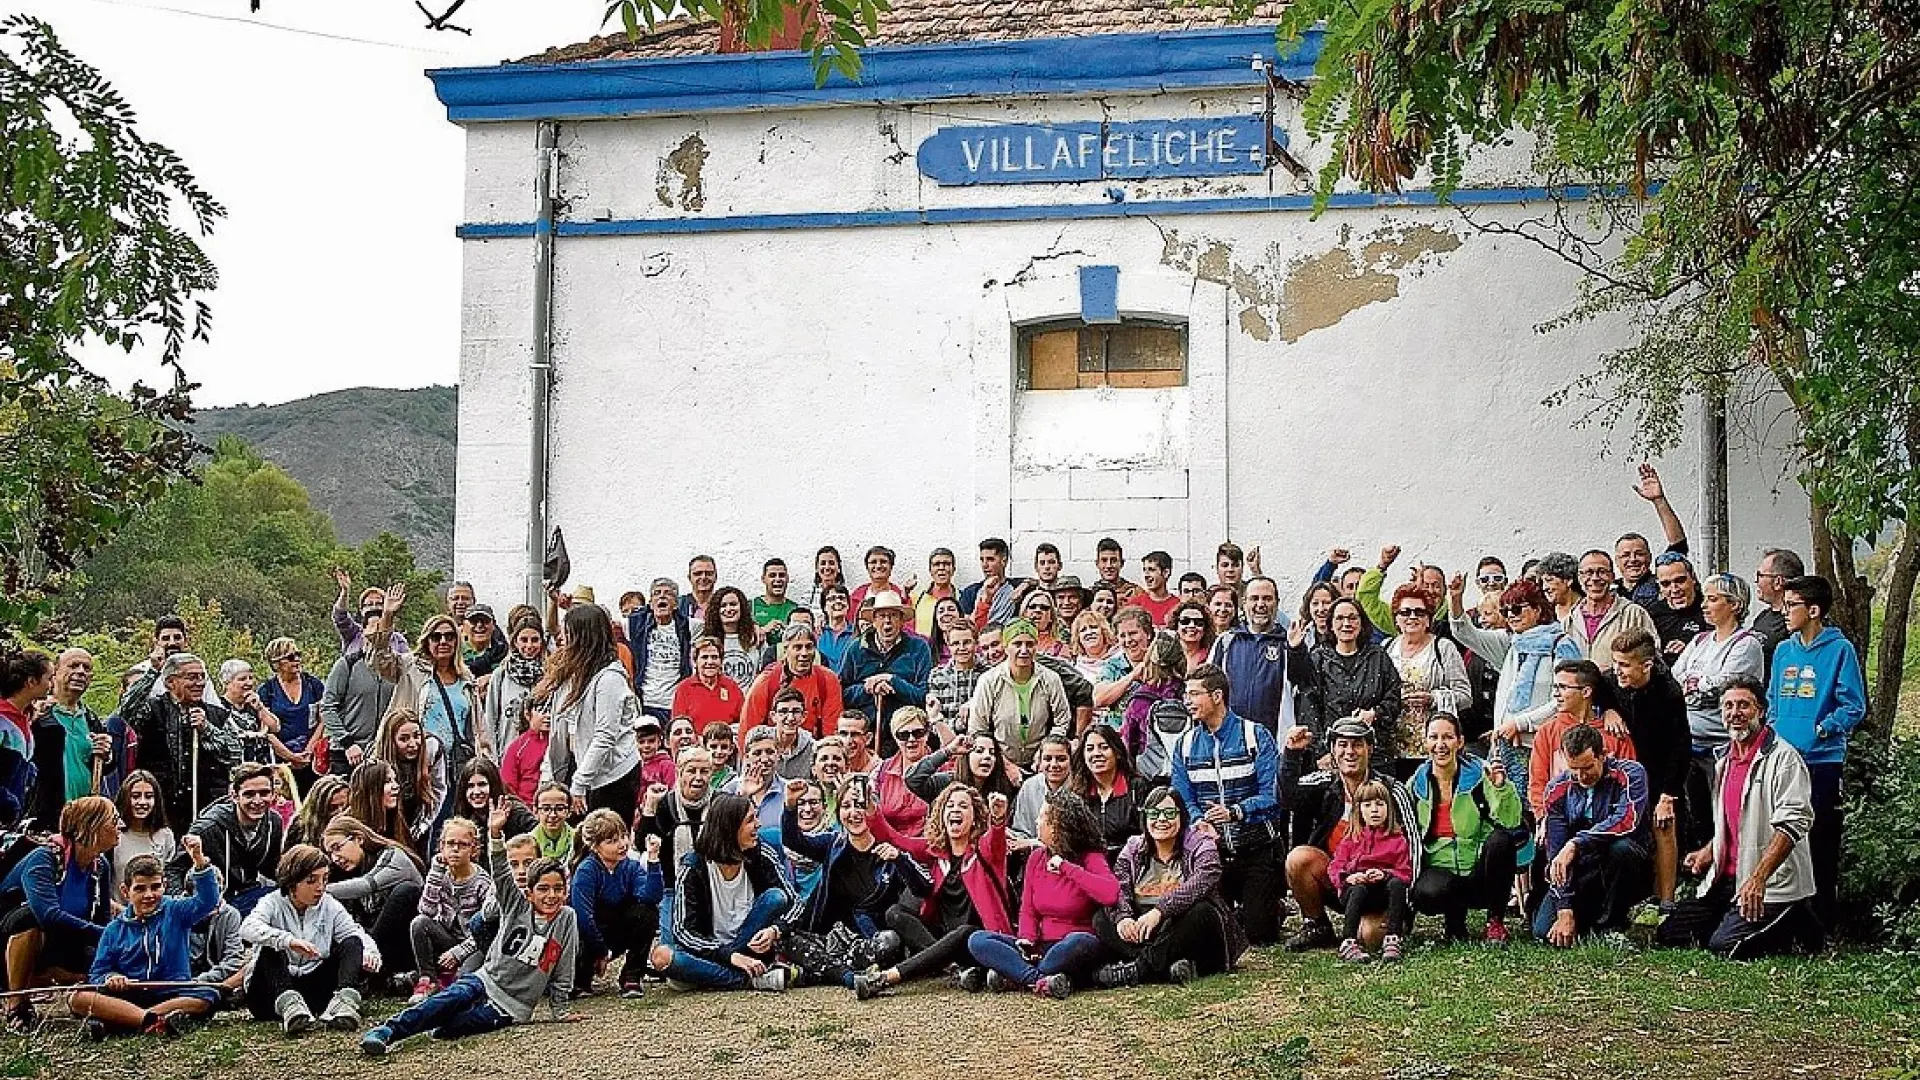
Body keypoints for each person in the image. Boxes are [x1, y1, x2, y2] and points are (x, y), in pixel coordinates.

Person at [360, 799, 578, 1055]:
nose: (551, 896)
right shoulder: (516, 905)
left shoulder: (566, 918)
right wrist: (495, 833)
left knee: (452, 1027)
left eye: (558, 889)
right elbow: (501, 872)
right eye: (543, 889)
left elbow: (564, 966)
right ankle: (387, 1031)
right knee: (448, 999)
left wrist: (560, 1010)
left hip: (511, 1007)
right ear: (529, 893)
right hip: (485, 980)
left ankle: (435, 1025)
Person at [1655, 677, 1818, 958]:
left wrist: (1758, 879)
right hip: (1727, 878)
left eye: (1744, 705)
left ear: (1761, 711)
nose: (1735, 713)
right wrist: (1709, 851)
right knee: (1670, 934)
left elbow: (1792, 825)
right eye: (1728, 706)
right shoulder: (1724, 760)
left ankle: (1797, 919)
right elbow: (1736, 821)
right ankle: (1733, 918)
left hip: (1769, 882)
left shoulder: (1784, 759)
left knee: (1725, 946)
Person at [1766, 574, 1865, 933]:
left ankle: (1822, 925)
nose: (1785, 611)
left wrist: (1822, 729)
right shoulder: (1783, 650)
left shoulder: (1840, 650)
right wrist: (1774, 731)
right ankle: (1785, 919)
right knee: (1782, 835)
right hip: (1783, 758)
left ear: (1813, 610)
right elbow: (1772, 699)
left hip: (1821, 760)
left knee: (1821, 837)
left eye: (1792, 605)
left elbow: (1853, 705)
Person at [855, 784, 1012, 999]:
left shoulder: (985, 850)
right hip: (943, 938)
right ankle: (954, 968)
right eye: (950, 805)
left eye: (963, 806)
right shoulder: (935, 851)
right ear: (942, 815)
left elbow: (996, 840)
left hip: (979, 940)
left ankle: (884, 978)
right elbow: (894, 839)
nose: (955, 809)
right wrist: (871, 809)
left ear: (975, 818)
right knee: (895, 913)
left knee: (964, 932)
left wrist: (998, 818)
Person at [1279, 716, 1420, 952]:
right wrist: (1291, 754)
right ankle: (1317, 925)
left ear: (1370, 749)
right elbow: (1288, 797)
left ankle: (1388, 924)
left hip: (1382, 888)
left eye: (1357, 745)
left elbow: (1414, 846)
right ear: (1333, 751)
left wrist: (1405, 898)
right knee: (1298, 858)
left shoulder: (1392, 790)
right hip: (1343, 881)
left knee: (1371, 937)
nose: (1349, 752)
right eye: (1342, 745)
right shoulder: (1325, 784)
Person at [965, 788, 1119, 999]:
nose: (1037, 822)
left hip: (1072, 946)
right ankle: (1039, 979)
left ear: (1059, 827)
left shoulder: (1089, 857)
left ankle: (1017, 975)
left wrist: (1066, 868)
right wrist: (1026, 940)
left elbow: (1110, 893)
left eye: (1043, 818)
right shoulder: (1036, 857)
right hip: (1040, 947)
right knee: (977, 940)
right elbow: (1028, 909)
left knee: (1078, 942)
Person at [1170, 664, 1286, 945]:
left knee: (1260, 936)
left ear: (1217, 696)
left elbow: (1272, 796)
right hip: (1212, 855)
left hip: (1256, 849)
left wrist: (1235, 812)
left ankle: (1272, 906)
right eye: (1186, 694)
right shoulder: (1185, 744)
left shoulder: (1255, 734)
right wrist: (1200, 820)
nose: (1187, 701)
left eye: (1194, 694)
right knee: (1213, 933)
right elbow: (1183, 797)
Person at [778, 774, 926, 992]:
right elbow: (793, 841)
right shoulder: (833, 843)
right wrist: (790, 806)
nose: (854, 813)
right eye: (846, 806)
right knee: (784, 937)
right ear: (839, 812)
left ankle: (819, 971)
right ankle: (846, 975)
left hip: (872, 940)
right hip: (833, 938)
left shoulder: (890, 849)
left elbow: (923, 888)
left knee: (890, 942)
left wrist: (899, 860)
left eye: (860, 805)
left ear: (872, 809)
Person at [68, 837, 222, 1040]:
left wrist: (199, 861)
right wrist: (111, 977)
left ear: (164, 886)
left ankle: (127, 1021)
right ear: (125, 891)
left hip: (171, 991)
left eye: (155, 887)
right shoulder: (114, 929)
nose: (149, 895)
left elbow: (208, 901)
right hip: (129, 995)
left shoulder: (176, 911)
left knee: (207, 995)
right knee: (78, 998)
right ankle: (151, 1020)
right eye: (140, 889)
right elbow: (98, 973)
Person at [647, 792, 802, 992]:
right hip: (711, 951)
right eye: (750, 820)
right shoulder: (693, 867)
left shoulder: (762, 854)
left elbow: (796, 903)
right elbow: (683, 931)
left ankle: (714, 976)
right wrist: (729, 956)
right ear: (730, 827)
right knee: (662, 957)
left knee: (776, 897)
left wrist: (776, 930)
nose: (758, 824)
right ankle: (748, 980)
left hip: (749, 947)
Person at [1092, 785, 1242, 987]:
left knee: (1202, 911)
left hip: (1181, 928)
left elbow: (1203, 879)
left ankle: (1140, 969)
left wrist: (1160, 911)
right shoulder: (1134, 847)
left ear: (1182, 817)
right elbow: (1119, 885)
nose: (1161, 819)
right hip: (1145, 930)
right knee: (1101, 916)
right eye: (1154, 814)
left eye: (1169, 813)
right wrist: (1123, 918)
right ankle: (1165, 966)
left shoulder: (1202, 844)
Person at [1447, 577, 1582, 798]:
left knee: (1541, 807)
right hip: (1506, 746)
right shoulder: (1512, 642)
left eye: (1517, 609)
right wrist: (1455, 598)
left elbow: (1568, 700)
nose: (1511, 615)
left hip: (1545, 747)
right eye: (1505, 610)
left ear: (1538, 610)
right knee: (1503, 808)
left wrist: (1521, 723)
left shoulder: (1562, 645)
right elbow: (1464, 633)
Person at [0, 796, 116, 1027]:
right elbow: (47, 915)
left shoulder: (101, 866)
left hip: (61, 942)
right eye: (113, 820)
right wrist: (107, 934)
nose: (119, 826)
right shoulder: (44, 858)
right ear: (90, 827)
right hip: (12, 939)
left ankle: (48, 979)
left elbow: (102, 918)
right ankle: (16, 1004)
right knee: (29, 919)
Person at [1408, 713, 1524, 943]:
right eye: (1434, 737)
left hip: (1479, 869)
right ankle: (1454, 922)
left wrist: (1501, 788)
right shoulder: (1415, 782)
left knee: (1501, 841)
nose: (1440, 744)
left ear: (1460, 742)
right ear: (1426, 742)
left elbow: (1511, 821)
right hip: (1440, 870)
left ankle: (1495, 921)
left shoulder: (1482, 774)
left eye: (1447, 737)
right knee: (1428, 893)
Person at [240, 844, 380, 1034]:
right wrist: (288, 941)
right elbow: (247, 928)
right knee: (271, 949)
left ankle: (344, 1003)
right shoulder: (272, 902)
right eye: (311, 881)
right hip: (270, 994)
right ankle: (290, 1007)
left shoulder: (329, 904)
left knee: (352, 942)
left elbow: (353, 932)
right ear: (292, 882)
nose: (320, 887)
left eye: (325, 879)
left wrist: (370, 953)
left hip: (313, 987)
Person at [1533, 725, 1653, 946]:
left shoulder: (1631, 773)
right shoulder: (1557, 789)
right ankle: (1585, 920)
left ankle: (1612, 925)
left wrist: (1576, 844)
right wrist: (1564, 909)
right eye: (1574, 769)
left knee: (1622, 849)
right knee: (1543, 931)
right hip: (1583, 869)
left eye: (1587, 767)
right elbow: (1556, 854)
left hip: (1624, 862)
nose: (1581, 776)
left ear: (1603, 755)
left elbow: (1625, 820)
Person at [1608, 631, 1691, 902]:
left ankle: (1666, 900)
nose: (1617, 671)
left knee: (1663, 825)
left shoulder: (1669, 693)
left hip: (1659, 768)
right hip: (1624, 770)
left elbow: (1681, 747)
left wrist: (1668, 795)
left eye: (1624, 665)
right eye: (1615, 662)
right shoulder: (1610, 681)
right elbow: (1596, 684)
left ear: (1646, 665)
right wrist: (1609, 709)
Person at [540, 604, 644, 817]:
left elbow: (605, 736)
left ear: (583, 637)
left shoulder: (610, 678)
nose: (562, 639)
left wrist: (580, 783)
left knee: (604, 835)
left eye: (567, 633)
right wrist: (549, 777)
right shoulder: (572, 674)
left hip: (612, 777)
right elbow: (560, 730)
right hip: (580, 767)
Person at [122, 652, 243, 831]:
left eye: (202, 677)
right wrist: (153, 672)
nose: (199, 683)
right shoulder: (152, 710)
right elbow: (126, 710)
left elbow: (234, 756)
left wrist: (207, 730)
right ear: (170, 682)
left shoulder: (217, 714)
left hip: (205, 809)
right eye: (192, 677)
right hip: (160, 808)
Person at [369, 587, 485, 771]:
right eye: (436, 637)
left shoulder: (466, 679)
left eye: (449, 636)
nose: (443, 641)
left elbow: (479, 729)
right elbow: (379, 659)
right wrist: (388, 616)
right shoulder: (410, 667)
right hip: (416, 762)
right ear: (426, 641)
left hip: (457, 765)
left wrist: (485, 760)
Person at [569, 808, 662, 998]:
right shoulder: (587, 870)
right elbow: (583, 918)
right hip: (588, 935)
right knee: (580, 953)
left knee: (646, 913)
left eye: (624, 836)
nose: (622, 844)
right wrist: (602, 951)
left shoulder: (630, 866)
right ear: (595, 846)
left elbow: (650, 897)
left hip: (616, 930)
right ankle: (580, 979)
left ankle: (632, 975)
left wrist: (653, 861)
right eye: (611, 841)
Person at [1528, 660, 1638, 820]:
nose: (1556, 694)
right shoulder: (1547, 732)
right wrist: (1543, 819)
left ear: (1586, 692)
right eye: (1555, 687)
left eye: (1563, 687)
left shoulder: (1615, 733)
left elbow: (1630, 786)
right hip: (1559, 821)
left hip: (1606, 824)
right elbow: (1538, 784)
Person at [1375, 583, 1470, 769]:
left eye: (1419, 612)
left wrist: (1434, 699)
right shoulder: (1386, 648)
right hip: (1391, 748)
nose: (1412, 617)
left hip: (1433, 748)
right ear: (1396, 619)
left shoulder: (1443, 648)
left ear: (1428, 619)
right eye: (1405, 612)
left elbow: (1465, 696)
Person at [173, 762, 287, 915]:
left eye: (264, 793)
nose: (258, 801)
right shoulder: (208, 827)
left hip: (248, 895)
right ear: (234, 796)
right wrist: (182, 905)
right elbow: (174, 869)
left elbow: (272, 868)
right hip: (213, 904)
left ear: (273, 794)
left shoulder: (274, 822)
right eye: (249, 794)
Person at [1296, 597, 1403, 756]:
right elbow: (1309, 708)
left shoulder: (1378, 657)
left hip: (1374, 750)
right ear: (1331, 625)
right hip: (1333, 753)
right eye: (1340, 618)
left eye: (1352, 618)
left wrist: (1375, 713)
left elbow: (1394, 696)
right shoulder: (1318, 658)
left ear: (1362, 623)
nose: (1346, 623)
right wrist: (1321, 753)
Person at [322, 814, 425, 973]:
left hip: (406, 942)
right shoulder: (348, 869)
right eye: (330, 853)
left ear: (359, 839)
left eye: (337, 848)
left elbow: (366, 885)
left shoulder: (394, 856)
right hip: (374, 940)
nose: (335, 858)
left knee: (406, 890)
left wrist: (315, 891)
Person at [407, 817, 494, 1002]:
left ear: (474, 849)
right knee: (419, 923)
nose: (455, 849)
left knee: (463, 982)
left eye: (462, 845)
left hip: (475, 945)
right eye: (450, 844)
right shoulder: (440, 875)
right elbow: (427, 911)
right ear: (442, 846)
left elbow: (488, 931)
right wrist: (435, 873)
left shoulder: (482, 883)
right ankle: (427, 979)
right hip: (449, 938)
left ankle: (451, 979)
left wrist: (459, 952)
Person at [1329, 780, 1415, 963]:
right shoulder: (1351, 839)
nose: (1374, 810)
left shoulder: (1398, 840)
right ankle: (1348, 941)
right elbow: (1335, 867)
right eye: (1367, 805)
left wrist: (1385, 874)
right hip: (1356, 891)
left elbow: (1405, 873)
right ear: (1359, 810)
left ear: (1389, 808)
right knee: (1358, 890)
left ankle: (1393, 937)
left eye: (1380, 804)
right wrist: (1349, 878)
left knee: (1397, 884)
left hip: (1382, 892)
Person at [967, 618, 1072, 767]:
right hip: (999, 761)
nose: (1024, 650)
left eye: (1029, 644)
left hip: (1041, 761)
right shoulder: (988, 681)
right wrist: (1004, 764)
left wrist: (1045, 753)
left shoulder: (1051, 679)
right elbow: (977, 728)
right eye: (1017, 644)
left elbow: (1062, 720)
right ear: (1006, 647)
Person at [837, 589, 933, 742]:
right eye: (882, 616)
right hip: (865, 733)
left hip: (907, 733)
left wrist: (892, 681)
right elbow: (842, 693)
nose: (887, 621)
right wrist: (867, 688)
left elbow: (923, 696)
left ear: (901, 620)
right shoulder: (855, 648)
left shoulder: (919, 648)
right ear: (874, 621)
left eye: (893, 615)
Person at [28, 649, 110, 826]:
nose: (81, 672)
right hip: (47, 818)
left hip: (84, 819)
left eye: (86, 668)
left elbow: (104, 768)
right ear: (55, 673)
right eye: (73, 666)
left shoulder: (91, 720)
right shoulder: (38, 716)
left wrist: (107, 755)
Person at [1208, 576, 1294, 734]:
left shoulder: (1288, 644)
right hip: (1229, 738)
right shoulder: (1226, 641)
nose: (1260, 604)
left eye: (1267, 599)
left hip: (1273, 738)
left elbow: (1304, 683)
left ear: (1277, 602)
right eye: (1254, 598)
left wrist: (1297, 649)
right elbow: (1208, 688)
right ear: (1244, 603)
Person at [320, 616, 399, 779]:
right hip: (347, 753)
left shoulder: (397, 668)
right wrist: (347, 742)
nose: (377, 634)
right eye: (373, 628)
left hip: (383, 754)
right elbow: (327, 707)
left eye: (382, 628)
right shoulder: (347, 665)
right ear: (363, 632)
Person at [641, 746, 717, 907]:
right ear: (679, 773)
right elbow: (643, 844)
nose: (698, 777)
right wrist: (649, 808)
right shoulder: (666, 804)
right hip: (672, 887)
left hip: (714, 887)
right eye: (691, 771)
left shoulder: (720, 802)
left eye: (704, 771)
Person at [741, 621, 843, 739]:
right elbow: (748, 730)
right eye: (797, 647)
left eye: (809, 647)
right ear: (785, 650)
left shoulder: (828, 680)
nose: (804, 653)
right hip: (772, 746)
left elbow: (832, 732)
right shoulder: (766, 681)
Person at [1563, 550, 1657, 671]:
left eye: (1602, 572)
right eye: (1588, 572)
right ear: (1580, 578)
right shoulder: (1569, 621)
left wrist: (1614, 671)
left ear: (1612, 577)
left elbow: (1652, 656)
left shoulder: (1634, 614)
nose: (1595, 578)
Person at [1616, 463, 1690, 607]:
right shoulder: (1610, 592)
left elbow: (1678, 544)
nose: (1633, 559)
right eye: (1626, 555)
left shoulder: (1663, 584)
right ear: (1617, 561)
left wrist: (1659, 500)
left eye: (1639, 554)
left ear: (1649, 557)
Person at [258, 638, 324, 787]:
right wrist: (290, 756)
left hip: (313, 757)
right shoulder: (267, 690)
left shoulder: (313, 685)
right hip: (281, 761)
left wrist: (309, 750)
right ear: (277, 662)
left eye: (298, 655)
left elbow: (323, 720)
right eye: (291, 657)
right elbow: (265, 730)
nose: (297, 660)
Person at [628, 578, 694, 723]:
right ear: (651, 604)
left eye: (668, 593)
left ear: (676, 604)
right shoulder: (635, 625)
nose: (662, 596)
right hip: (645, 702)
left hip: (675, 703)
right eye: (657, 593)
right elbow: (605, 623)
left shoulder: (688, 626)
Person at [1070, 725, 1139, 859]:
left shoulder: (1137, 788)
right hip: (1089, 864)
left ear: (1117, 753)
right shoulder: (1076, 793)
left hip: (1130, 862)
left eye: (1104, 747)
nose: (1096, 754)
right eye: (1090, 749)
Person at [906, 729, 1021, 807]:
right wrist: (948, 751)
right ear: (966, 756)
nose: (987, 756)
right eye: (979, 751)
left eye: (992, 753)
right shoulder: (946, 783)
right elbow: (912, 778)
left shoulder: (1003, 788)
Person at [483, 616, 547, 754]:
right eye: (524, 640)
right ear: (515, 642)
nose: (529, 646)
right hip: (508, 752)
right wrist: (493, 757)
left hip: (541, 756)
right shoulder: (501, 675)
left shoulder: (549, 676)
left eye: (534, 640)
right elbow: (490, 720)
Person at [872, 707, 935, 837]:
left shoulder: (941, 767)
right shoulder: (881, 771)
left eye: (918, 733)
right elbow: (873, 815)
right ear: (895, 738)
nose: (911, 739)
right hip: (889, 843)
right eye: (903, 735)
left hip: (929, 843)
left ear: (927, 734)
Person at [1012, 735, 1074, 851]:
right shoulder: (1029, 786)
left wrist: (1035, 843)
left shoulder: (1080, 787)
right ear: (1040, 762)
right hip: (1032, 855)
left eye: (1061, 759)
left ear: (1071, 761)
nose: (1054, 765)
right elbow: (1021, 831)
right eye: (1048, 759)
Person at [703, 586, 772, 688]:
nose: (728, 609)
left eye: (733, 604)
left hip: (749, 697)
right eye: (723, 605)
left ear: (742, 608)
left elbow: (766, 675)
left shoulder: (755, 638)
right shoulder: (707, 640)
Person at [673, 637, 744, 732]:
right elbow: (678, 727)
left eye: (714, 657)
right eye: (704, 657)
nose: (710, 662)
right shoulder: (684, 689)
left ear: (721, 661)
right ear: (695, 662)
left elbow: (743, 721)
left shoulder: (732, 687)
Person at [112, 770, 177, 874]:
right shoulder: (114, 834)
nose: (142, 802)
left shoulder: (165, 835)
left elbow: (172, 875)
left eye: (149, 796)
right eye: (135, 796)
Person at [1750, 548, 1804, 662]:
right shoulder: (1762, 616)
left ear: (1778, 582)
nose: (1756, 582)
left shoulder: (1798, 621)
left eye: (1760, 575)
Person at [926, 620, 982, 727]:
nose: (962, 648)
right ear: (948, 646)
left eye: (967, 642)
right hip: (949, 735)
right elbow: (935, 719)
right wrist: (958, 724)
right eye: (956, 643)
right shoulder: (937, 675)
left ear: (976, 643)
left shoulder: (989, 672)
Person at [500, 692, 551, 806]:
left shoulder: (560, 743)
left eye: (550, 710)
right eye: (541, 710)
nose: (548, 715)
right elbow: (508, 786)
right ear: (527, 714)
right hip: (526, 808)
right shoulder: (517, 747)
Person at [527, 783, 576, 862]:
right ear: (535, 811)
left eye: (560, 809)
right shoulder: (527, 845)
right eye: (546, 809)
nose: (553, 815)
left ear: (569, 811)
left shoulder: (578, 842)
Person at [816, 584, 858, 675]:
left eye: (842, 598)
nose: (838, 601)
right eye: (832, 599)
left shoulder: (857, 633)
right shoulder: (817, 634)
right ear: (824, 607)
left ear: (848, 605)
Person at [753, 557, 799, 635]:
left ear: (787, 578)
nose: (777, 579)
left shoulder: (795, 609)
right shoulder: (751, 606)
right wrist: (763, 630)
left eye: (781, 575)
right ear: (763, 579)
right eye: (772, 575)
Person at [1134, 551, 1181, 626]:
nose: (1146, 575)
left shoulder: (1178, 606)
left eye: (1151, 570)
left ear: (1165, 573)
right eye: (1144, 570)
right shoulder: (1135, 605)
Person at [1170, 601, 1214, 673]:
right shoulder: (1167, 655)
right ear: (1176, 626)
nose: (1191, 626)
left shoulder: (1212, 656)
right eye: (1185, 621)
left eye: (1198, 622)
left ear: (1205, 628)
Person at [704, 721, 741, 787]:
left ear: (731, 749)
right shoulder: (697, 774)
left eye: (724, 747)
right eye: (713, 746)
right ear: (704, 748)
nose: (719, 751)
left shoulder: (735, 781)